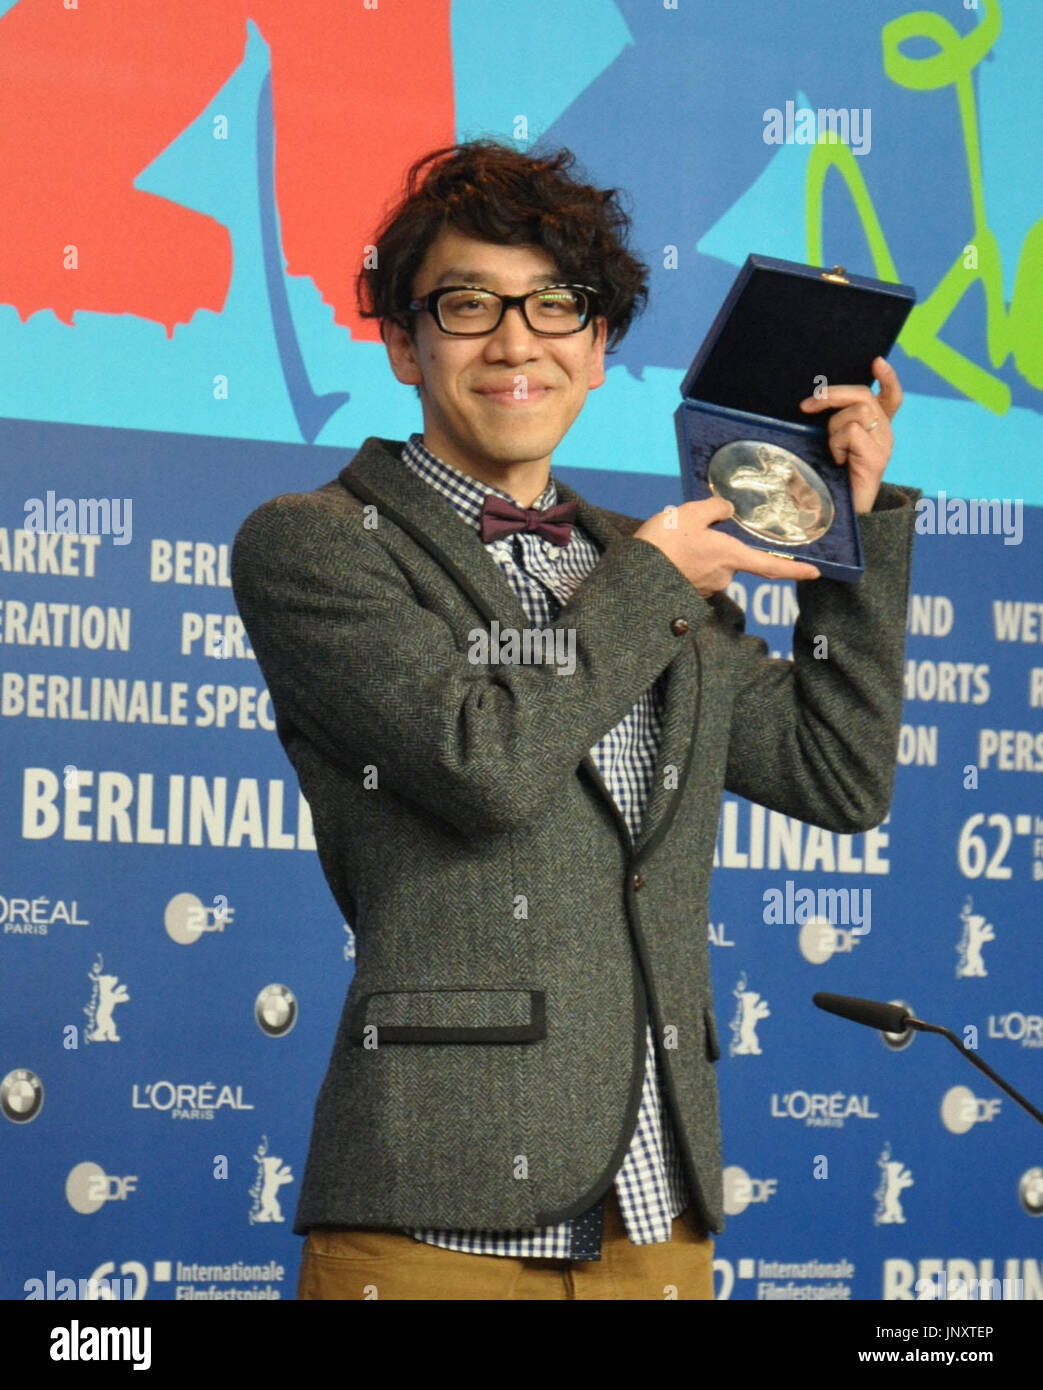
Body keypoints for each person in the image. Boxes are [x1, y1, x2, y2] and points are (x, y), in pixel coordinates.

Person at [230, 140, 917, 1301]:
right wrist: (651, 583)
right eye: (466, 305)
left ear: (597, 350)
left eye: (555, 306)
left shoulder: (634, 566)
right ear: (403, 341)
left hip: (656, 1214)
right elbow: (480, 761)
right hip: (431, 1216)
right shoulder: (314, 542)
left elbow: (834, 772)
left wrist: (847, 534)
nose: (515, 342)